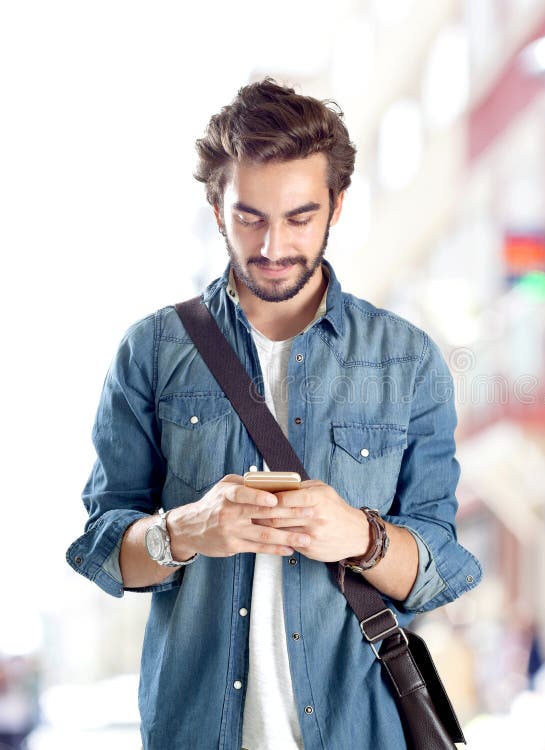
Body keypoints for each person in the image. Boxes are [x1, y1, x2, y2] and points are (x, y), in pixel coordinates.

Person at [67, 77, 482, 750]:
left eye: (299, 217)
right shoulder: (152, 350)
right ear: (216, 208)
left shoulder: (406, 359)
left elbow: (440, 567)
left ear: (337, 206)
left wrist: (360, 535)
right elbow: (103, 546)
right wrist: (187, 529)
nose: (272, 246)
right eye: (249, 217)